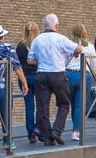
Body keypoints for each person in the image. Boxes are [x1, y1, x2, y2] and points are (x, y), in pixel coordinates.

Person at [29, 14, 82, 146]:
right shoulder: (61, 38)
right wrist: (77, 51)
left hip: (41, 75)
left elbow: (29, 60)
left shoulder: (37, 40)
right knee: (64, 103)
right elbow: (79, 49)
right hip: (58, 74)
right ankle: (57, 131)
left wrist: (42, 60)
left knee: (42, 108)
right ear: (56, 26)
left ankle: (47, 138)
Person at [64, 24, 96, 141]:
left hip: (69, 75)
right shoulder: (89, 46)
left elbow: (64, 62)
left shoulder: (69, 45)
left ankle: (75, 127)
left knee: (73, 104)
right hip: (84, 76)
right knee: (79, 105)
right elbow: (95, 67)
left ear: (73, 33)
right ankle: (76, 131)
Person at [16, 22, 41, 144]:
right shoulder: (39, 44)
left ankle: (31, 134)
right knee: (42, 105)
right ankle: (37, 127)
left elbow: (17, 64)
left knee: (29, 107)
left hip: (24, 79)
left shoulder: (20, 46)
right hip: (37, 78)